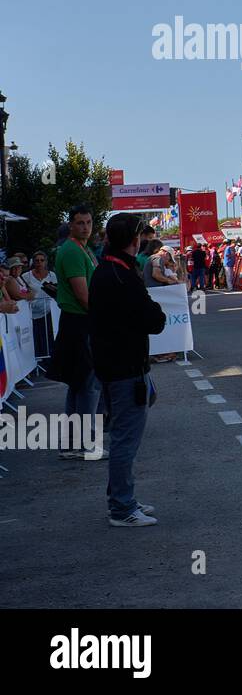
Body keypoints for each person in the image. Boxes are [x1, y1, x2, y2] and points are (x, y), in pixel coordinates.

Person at [89, 214, 167, 527]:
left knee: (124, 435)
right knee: (125, 440)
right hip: (124, 367)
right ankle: (121, 508)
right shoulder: (121, 273)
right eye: (141, 235)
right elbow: (154, 319)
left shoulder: (107, 268)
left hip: (114, 365)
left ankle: (124, 499)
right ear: (134, 240)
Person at [52, 204, 103, 460]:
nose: (85, 227)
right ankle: (87, 444)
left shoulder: (81, 249)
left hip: (78, 323)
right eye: (80, 222)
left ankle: (72, 445)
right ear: (70, 224)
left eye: (89, 222)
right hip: (80, 322)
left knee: (78, 384)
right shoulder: (72, 251)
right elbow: (84, 296)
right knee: (88, 385)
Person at [22, 250, 58, 357]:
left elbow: (56, 291)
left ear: (46, 262)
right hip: (31, 314)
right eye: (37, 260)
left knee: (48, 337)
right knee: (35, 339)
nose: (39, 263)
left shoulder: (52, 275)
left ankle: (50, 361)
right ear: (33, 262)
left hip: (48, 312)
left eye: (42, 260)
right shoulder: (26, 276)